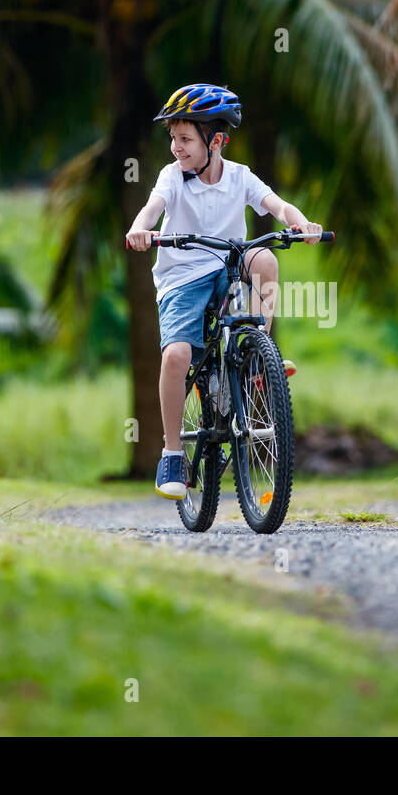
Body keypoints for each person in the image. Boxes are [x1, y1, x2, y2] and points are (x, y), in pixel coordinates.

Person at [126, 83, 324, 499]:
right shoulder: (172, 177)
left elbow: (278, 207)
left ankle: (254, 351)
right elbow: (153, 207)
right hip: (183, 275)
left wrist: (301, 222)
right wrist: (140, 228)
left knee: (266, 259)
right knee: (178, 354)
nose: (176, 147)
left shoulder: (240, 177)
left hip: (228, 264)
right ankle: (172, 452)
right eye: (172, 139)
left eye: (185, 139)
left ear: (215, 141)